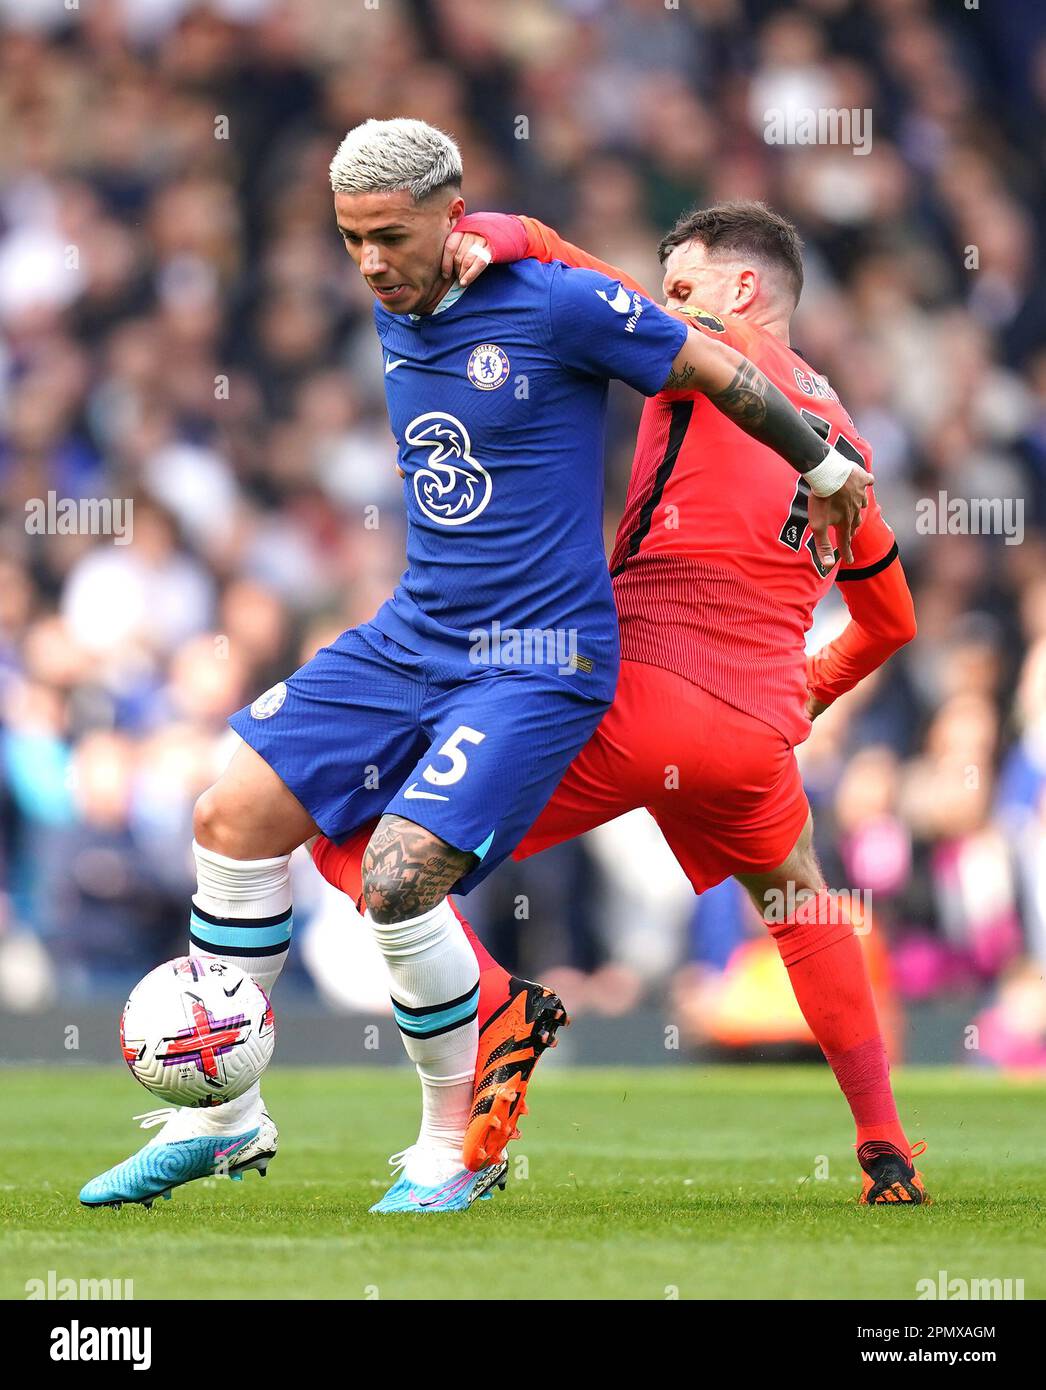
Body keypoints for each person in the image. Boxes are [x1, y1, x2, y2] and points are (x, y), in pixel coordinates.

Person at [80, 126, 867, 1215]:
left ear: (451, 220)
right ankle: (221, 1118)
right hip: (415, 634)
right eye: (350, 238)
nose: (367, 262)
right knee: (230, 815)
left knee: (401, 878)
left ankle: (457, 1145)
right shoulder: (392, 298)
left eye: (389, 237)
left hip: (539, 661)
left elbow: (714, 364)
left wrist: (825, 466)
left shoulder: (552, 303)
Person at [313, 201, 927, 1205]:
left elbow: (567, 266)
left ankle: (500, 1010)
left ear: (741, 291)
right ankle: (884, 1146)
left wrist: (494, 229)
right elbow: (889, 621)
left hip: (631, 691)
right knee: (801, 903)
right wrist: (804, 688)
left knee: (357, 828)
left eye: (680, 286)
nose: (663, 304)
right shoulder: (840, 436)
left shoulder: (712, 348)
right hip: (753, 734)